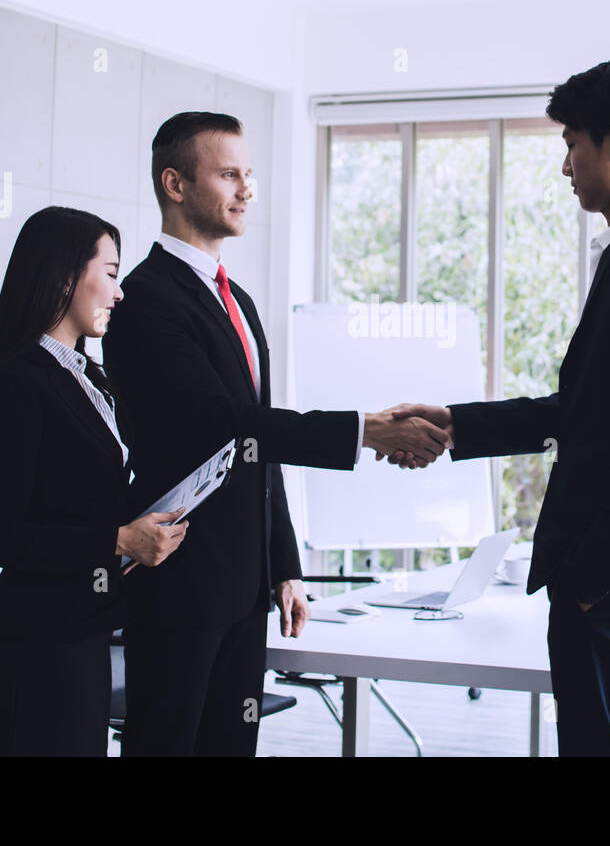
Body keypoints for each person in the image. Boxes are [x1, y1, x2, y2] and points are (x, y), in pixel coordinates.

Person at [387, 59, 610, 755]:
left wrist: (592, 581)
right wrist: (457, 424)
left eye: (573, 143)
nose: (566, 165)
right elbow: (589, 412)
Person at [101, 112, 452, 756]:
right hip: (179, 584)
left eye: (249, 176)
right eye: (229, 174)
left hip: (243, 588)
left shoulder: (238, 301)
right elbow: (222, 427)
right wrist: (362, 431)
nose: (246, 190)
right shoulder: (146, 299)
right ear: (174, 184)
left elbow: (258, 449)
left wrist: (283, 566)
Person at [0, 206, 186, 756]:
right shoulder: (19, 383)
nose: (119, 293)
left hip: (89, 626)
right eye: (111, 274)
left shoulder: (90, 377)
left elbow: (86, 498)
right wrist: (118, 540)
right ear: (66, 276)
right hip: (39, 639)